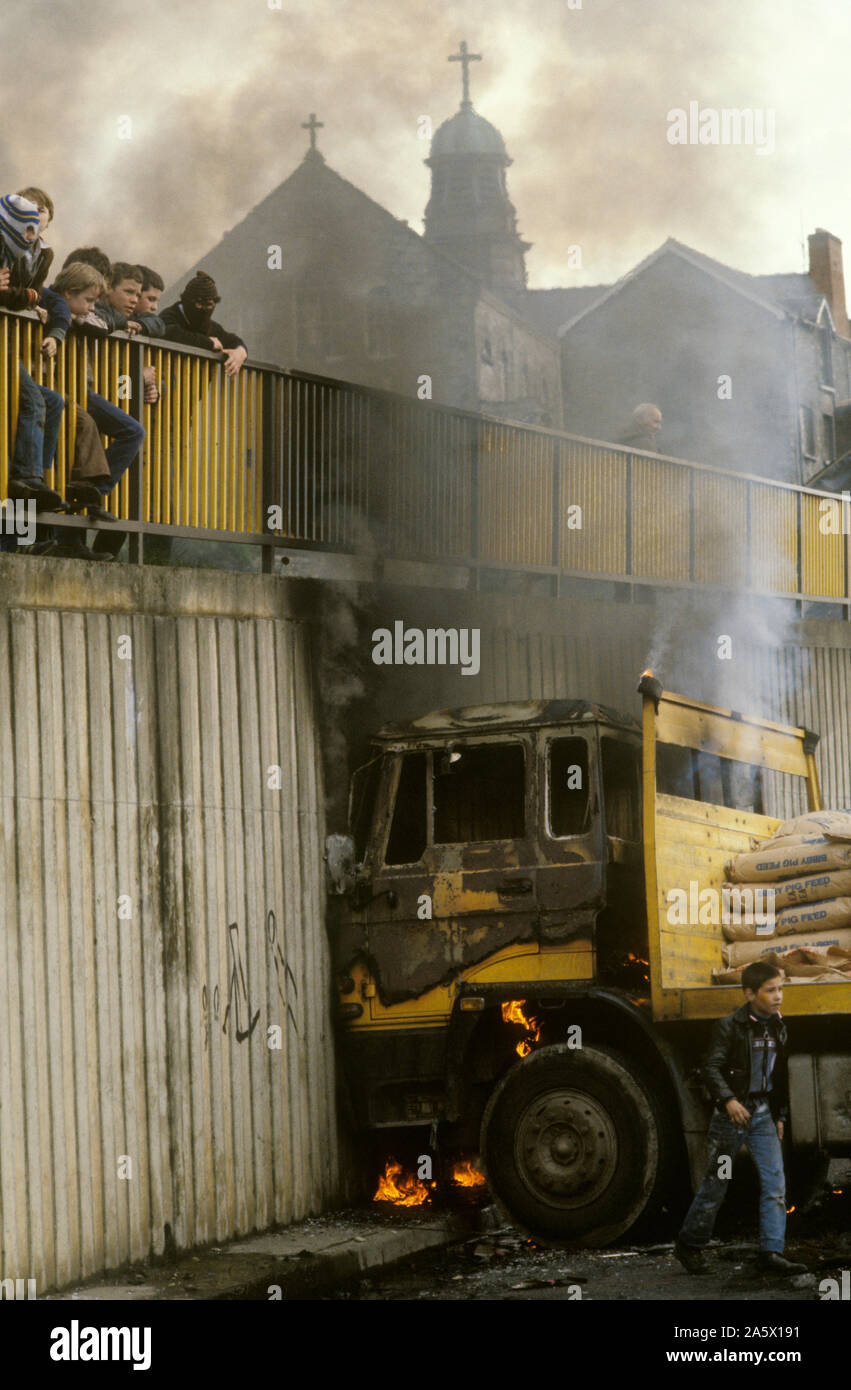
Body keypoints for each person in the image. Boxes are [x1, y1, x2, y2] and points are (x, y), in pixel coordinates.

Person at [674, 961, 807, 1277]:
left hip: (762, 1118)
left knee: (775, 1184)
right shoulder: (729, 1026)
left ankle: (771, 1253)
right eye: (770, 990)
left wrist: (780, 1116)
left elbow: (779, 1075)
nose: (778, 997)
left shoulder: (777, 1025)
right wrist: (729, 1100)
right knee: (717, 1183)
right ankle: (689, 1245)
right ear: (750, 993)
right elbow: (711, 1067)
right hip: (730, 1122)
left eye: (780, 990)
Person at [0, 193, 64, 512]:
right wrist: (28, 297)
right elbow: (13, 296)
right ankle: (26, 478)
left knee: (51, 401)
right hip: (4, 351)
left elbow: (50, 301)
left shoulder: (36, 255)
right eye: (27, 221)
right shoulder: (4, 248)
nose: (32, 230)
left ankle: (34, 481)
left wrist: (34, 303)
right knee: (34, 401)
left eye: (41, 215)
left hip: (10, 350)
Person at [161, 271, 247, 376]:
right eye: (198, 303)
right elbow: (170, 332)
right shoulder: (169, 316)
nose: (203, 309)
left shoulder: (210, 326)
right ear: (185, 300)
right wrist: (209, 343)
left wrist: (240, 352)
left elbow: (233, 340)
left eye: (209, 304)